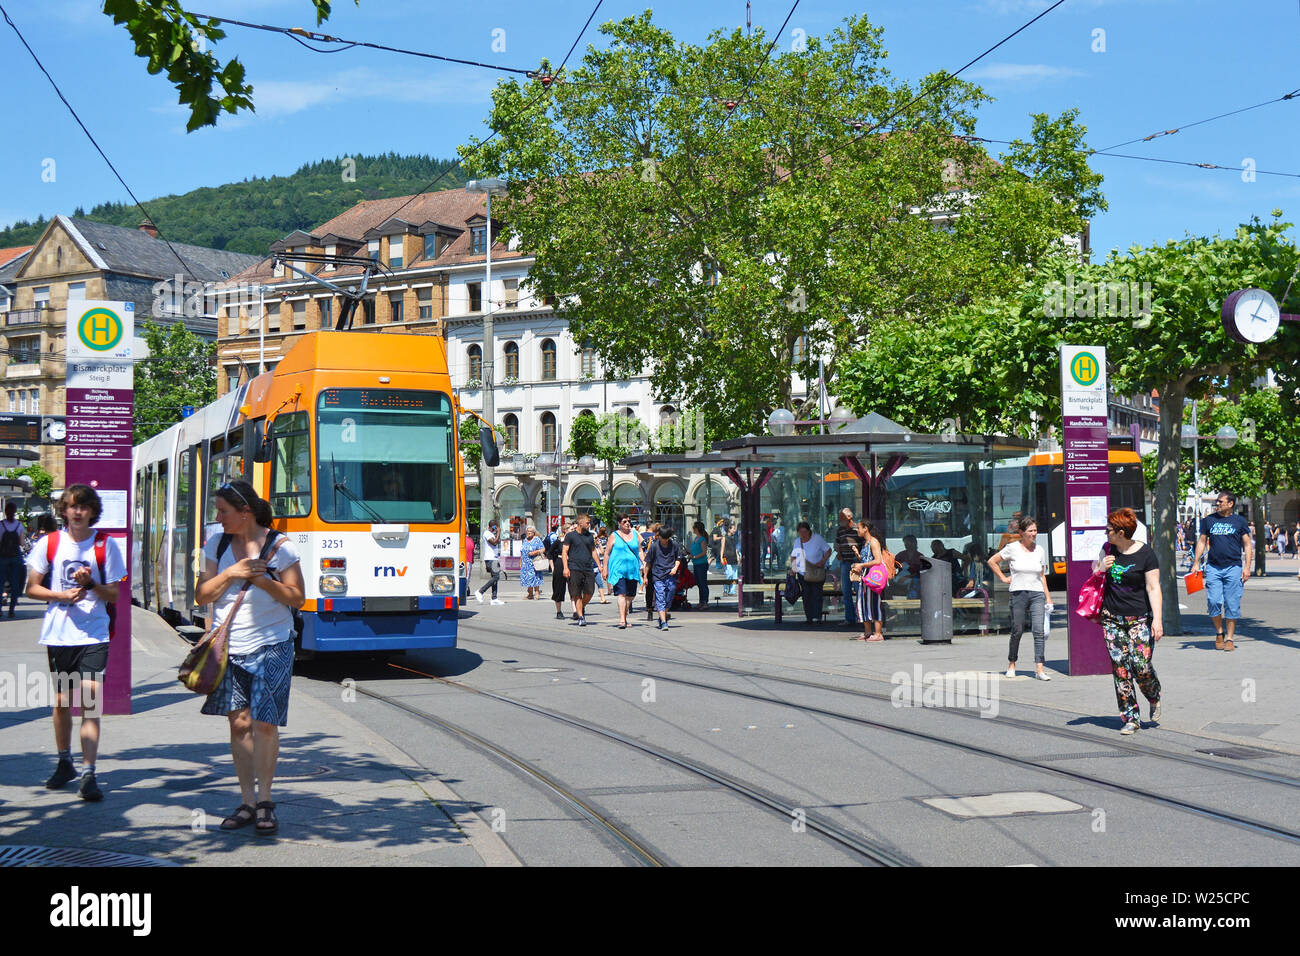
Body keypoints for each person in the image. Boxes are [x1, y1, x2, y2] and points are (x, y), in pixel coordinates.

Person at [193, 480, 304, 833]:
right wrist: (231, 572)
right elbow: (201, 596)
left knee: (265, 724)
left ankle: (266, 801)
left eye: (223, 511)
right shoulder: (217, 543)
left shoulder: (281, 547)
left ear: (245, 513)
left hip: (273, 643)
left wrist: (262, 581)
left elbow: (298, 598)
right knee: (239, 724)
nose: (218, 516)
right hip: (230, 647)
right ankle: (247, 801)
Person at [25, 485, 127, 802]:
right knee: (61, 702)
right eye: (71, 506)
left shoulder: (104, 545)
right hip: (59, 634)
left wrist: (90, 583)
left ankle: (89, 772)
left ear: (92, 510)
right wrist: (60, 595)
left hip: (93, 634)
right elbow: (31, 588)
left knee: (90, 703)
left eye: (83, 506)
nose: (77, 511)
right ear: (64, 511)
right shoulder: (49, 543)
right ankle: (64, 760)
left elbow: (114, 594)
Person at [1097, 507, 1163, 734]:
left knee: (1141, 665)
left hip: (1140, 619)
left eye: (1109, 530)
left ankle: (1153, 695)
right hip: (1112, 619)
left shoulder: (1146, 554)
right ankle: (1131, 718)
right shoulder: (1107, 549)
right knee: (1121, 669)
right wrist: (1100, 568)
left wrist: (1158, 621)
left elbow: (1153, 587)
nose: (1106, 534)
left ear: (1121, 532)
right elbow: (1095, 576)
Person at [989, 516, 1053, 680]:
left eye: (1035, 530)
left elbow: (1042, 575)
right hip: (1018, 593)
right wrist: (1003, 578)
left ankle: (1039, 669)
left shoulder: (1039, 550)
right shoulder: (1012, 548)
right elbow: (992, 561)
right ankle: (1012, 663)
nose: (1034, 534)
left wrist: (1048, 597)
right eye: (1030, 531)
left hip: (1037, 593)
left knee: (1038, 631)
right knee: (1017, 630)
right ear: (1021, 533)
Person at [1191, 492, 1251, 651]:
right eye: (1217, 501)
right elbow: (1202, 541)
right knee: (1214, 601)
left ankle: (1230, 638)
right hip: (1213, 567)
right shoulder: (1209, 520)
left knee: (1232, 604)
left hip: (1234, 567)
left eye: (1220, 501)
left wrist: (1247, 567)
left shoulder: (1239, 521)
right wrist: (1196, 562)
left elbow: (1247, 545)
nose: (1217, 504)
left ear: (1230, 503)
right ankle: (1219, 632)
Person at [603, 514, 643, 629]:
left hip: (632, 569)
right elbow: (607, 553)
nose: (627, 523)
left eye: (629, 521)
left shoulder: (635, 534)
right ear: (619, 523)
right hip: (618, 569)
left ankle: (624, 616)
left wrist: (645, 562)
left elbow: (640, 550)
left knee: (631, 595)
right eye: (624, 521)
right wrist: (605, 568)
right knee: (622, 594)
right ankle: (622, 620)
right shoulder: (614, 535)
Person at [789, 520, 831, 625]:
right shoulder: (797, 541)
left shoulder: (817, 539)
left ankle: (817, 616)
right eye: (800, 532)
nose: (803, 534)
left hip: (816, 571)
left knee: (817, 594)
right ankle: (809, 617)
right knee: (806, 595)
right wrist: (793, 569)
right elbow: (794, 556)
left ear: (809, 531)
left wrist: (823, 561)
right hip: (803, 572)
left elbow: (828, 550)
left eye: (805, 532)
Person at [851, 520, 885, 641]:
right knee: (863, 604)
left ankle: (878, 633)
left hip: (873, 578)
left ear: (865, 528)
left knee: (873, 604)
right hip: (865, 578)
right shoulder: (865, 543)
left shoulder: (873, 542)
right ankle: (867, 632)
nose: (857, 531)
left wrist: (862, 565)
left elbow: (878, 560)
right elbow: (866, 559)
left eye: (859, 528)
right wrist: (858, 556)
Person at [563, 513, 598, 626]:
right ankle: (581, 616)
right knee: (577, 594)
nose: (589, 525)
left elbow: (593, 551)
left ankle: (580, 607)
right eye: (587, 522)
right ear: (580, 522)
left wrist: (600, 566)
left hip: (588, 567)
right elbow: (564, 552)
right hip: (574, 568)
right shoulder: (570, 536)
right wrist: (566, 568)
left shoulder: (589, 536)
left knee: (590, 592)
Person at [647, 527, 683, 630]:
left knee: (670, 595)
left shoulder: (674, 544)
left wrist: (675, 568)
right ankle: (663, 622)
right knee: (660, 598)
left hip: (671, 574)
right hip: (658, 575)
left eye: (667, 539)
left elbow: (678, 558)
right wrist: (645, 576)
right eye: (663, 538)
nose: (665, 541)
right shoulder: (654, 546)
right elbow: (648, 562)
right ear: (659, 536)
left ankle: (662, 616)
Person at [834, 508, 863, 627]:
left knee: (858, 590)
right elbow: (836, 543)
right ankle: (849, 618)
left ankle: (860, 617)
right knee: (846, 592)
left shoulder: (857, 529)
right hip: (845, 561)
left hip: (855, 561)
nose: (840, 519)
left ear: (849, 517)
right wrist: (838, 549)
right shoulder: (840, 530)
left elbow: (862, 544)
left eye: (842, 517)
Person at [1, 501, 28, 617]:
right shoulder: (19, 525)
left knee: (0, 582)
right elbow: (22, 543)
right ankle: (12, 609)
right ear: (15, 512)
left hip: (2, 556)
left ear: (6, 511)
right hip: (16, 556)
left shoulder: (1, 525)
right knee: (15, 582)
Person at [474, 520, 505, 605]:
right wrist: (498, 532)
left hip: (494, 558)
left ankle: (494, 598)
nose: (497, 528)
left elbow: (497, 541)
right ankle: (480, 591)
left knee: (495, 578)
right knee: (496, 577)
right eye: (496, 527)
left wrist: (497, 535)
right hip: (490, 559)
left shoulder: (492, 534)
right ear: (493, 527)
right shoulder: (487, 533)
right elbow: (494, 542)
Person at [546, 522, 569, 620]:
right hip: (560, 564)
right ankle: (559, 611)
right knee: (559, 589)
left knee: (575, 588)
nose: (572, 531)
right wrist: (553, 567)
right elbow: (549, 553)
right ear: (564, 530)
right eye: (570, 529)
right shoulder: (559, 541)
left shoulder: (575, 540)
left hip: (572, 564)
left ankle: (577, 611)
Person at [518, 525, 545, 600]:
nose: (529, 533)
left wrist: (535, 552)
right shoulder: (525, 540)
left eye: (530, 531)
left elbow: (543, 549)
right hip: (525, 563)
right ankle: (530, 594)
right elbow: (522, 551)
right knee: (527, 578)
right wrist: (520, 561)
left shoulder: (537, 540)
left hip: (534, 562)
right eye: (528, 531)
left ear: (534, 532)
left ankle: (536, 592)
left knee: (535, 577)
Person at [688, 520, 710, 608]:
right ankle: (701, 601)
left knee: (702, 583)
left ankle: (705, 602)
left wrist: (694, 557)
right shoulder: (695, 539)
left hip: (701, 563)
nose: (692, 529)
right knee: (699, 583)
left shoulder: (702, 539)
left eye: (693, 528)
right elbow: (695, 550)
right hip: (696, 563)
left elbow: (704, 552)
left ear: (696, 529)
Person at [895, 534, 925, 599]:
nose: (906, 545)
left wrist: (908, 577)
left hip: (915, 580)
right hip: (900, 578)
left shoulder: (920, 556)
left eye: (908, 543)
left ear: (914, 543)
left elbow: (922, 572)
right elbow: (893, 566)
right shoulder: (901, 555)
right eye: (905, 543)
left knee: (915, 582)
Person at [592, 528, 610, 604]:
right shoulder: (588, 547)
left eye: (596, 537)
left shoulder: (596, 547)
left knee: (600, 583)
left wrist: (599, 544)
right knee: (587, 586)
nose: (597, 539)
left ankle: (603, 598)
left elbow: (602, 552)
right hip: (589, 568)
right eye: (595, 538)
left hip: (596, 568)